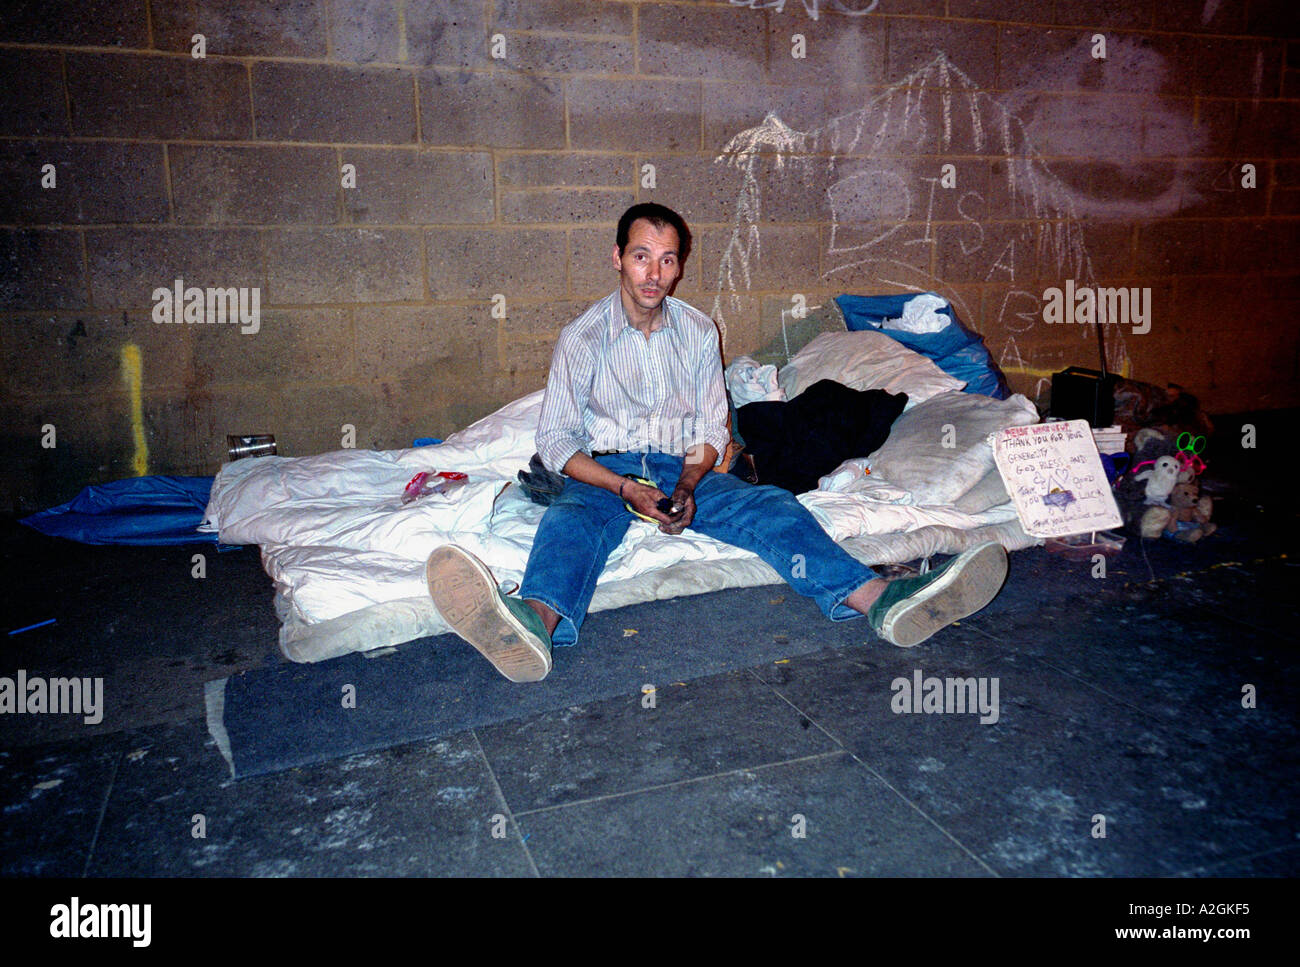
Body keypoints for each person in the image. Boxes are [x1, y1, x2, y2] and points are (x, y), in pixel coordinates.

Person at [426, 203, 1008, 682]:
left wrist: (686, 487)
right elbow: (555, 441)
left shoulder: (701, 332)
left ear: (679, 268)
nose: (653, 274)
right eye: (640, 257)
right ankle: (530, 622)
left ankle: (880, 600)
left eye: (667, 260)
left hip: (686, 469)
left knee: (775, 507)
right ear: (618, 260)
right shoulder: (582, 338)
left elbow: (711, 430)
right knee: (570, 522)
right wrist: (625, 487)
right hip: (609, 471)